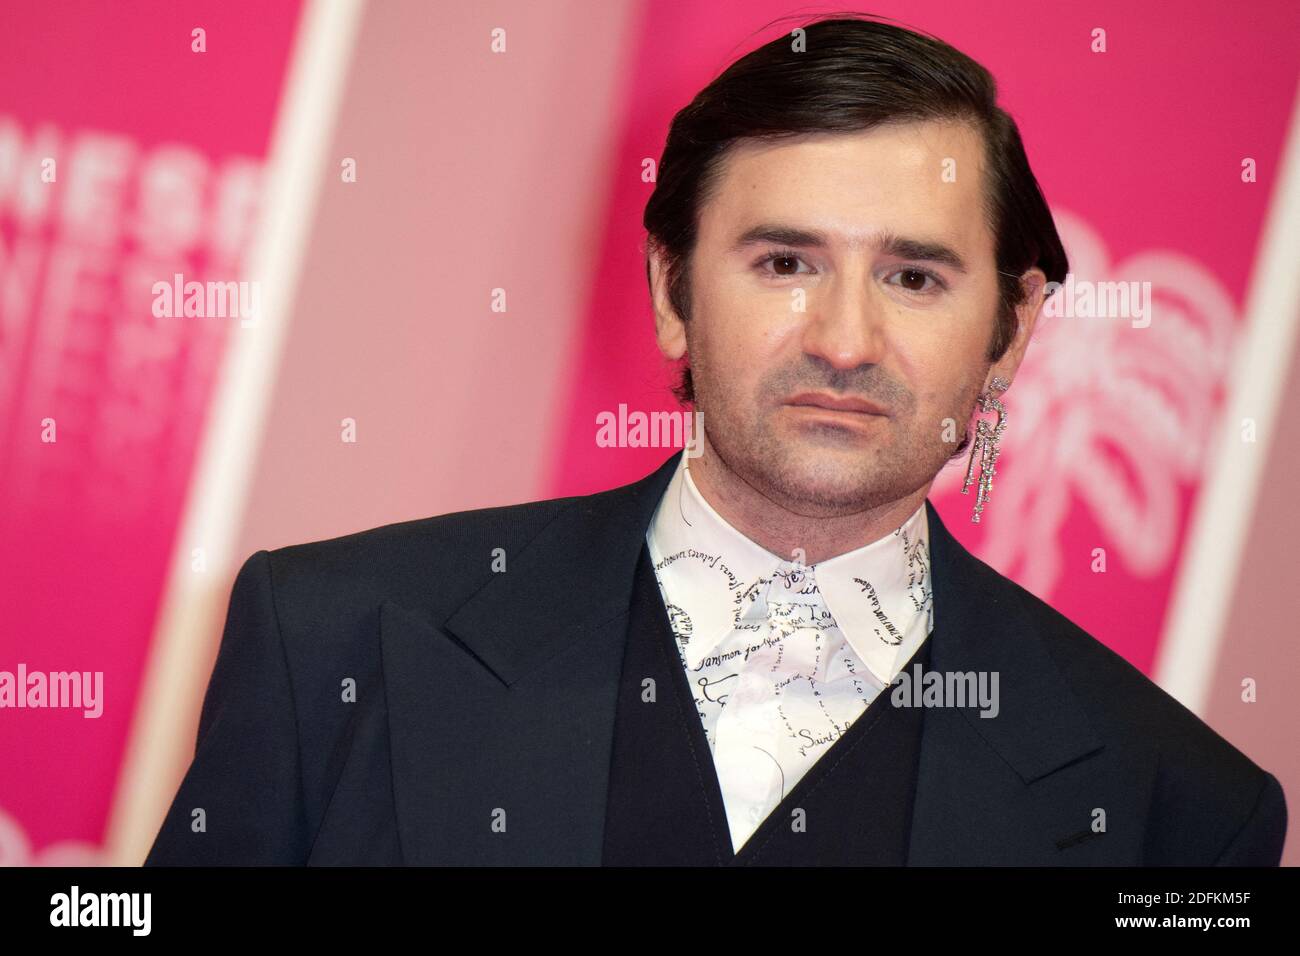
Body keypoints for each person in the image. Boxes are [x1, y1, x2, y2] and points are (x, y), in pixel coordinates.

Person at [145, 14, 1286, 866]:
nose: (845, 340)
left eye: (914, 275)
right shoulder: (335, 639)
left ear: (1012, 328)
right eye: (785, 262)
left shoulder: (1173, 811)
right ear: (671, 288)